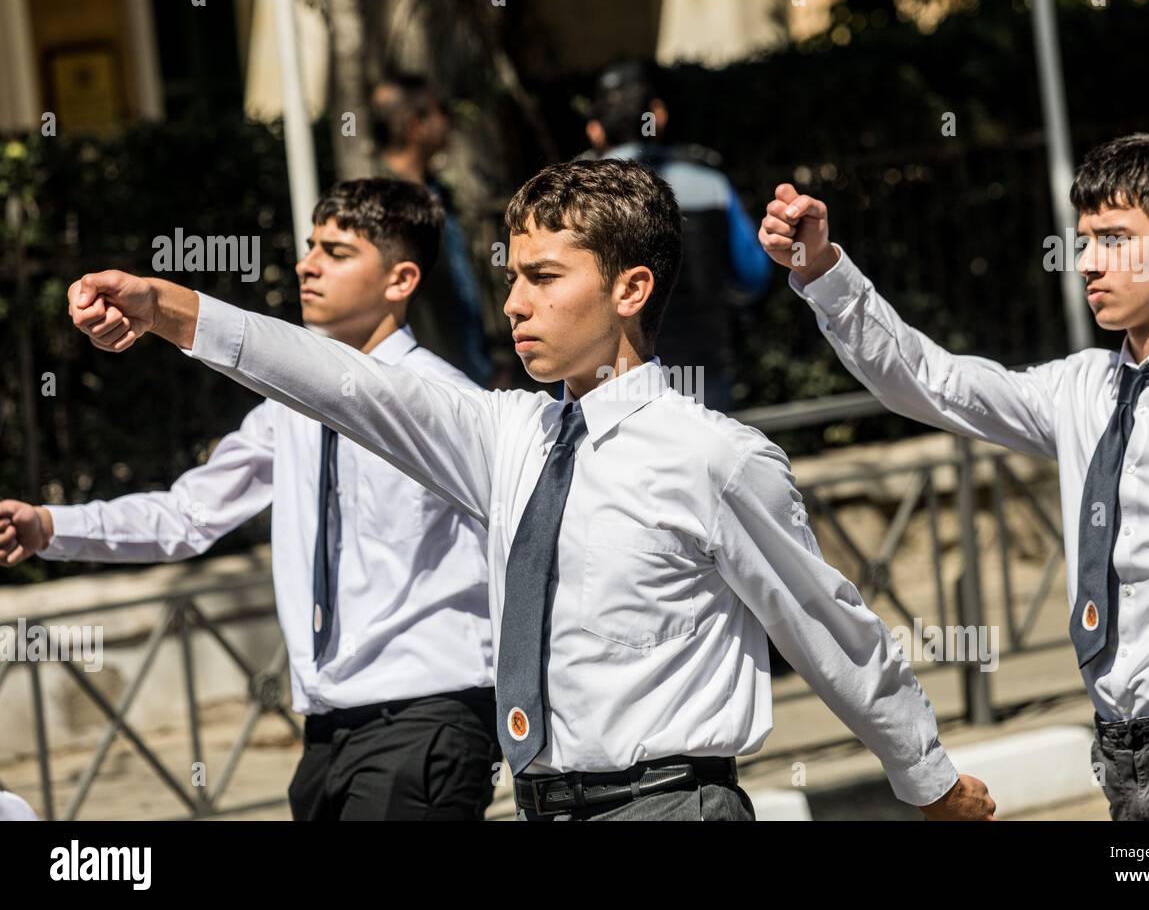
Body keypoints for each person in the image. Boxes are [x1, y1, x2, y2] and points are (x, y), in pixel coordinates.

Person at [61, 158, 994, 822]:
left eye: (545, 278)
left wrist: (929, 779)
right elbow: (340, 382)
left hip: (671, 806)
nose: (514, 304)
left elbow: (828, 628)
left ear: (631, 289)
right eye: (513, 277)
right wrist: (171, 310)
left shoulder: (717, 456)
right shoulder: (506, 434)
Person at [762, 132, 1149, 821]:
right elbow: (931, 381)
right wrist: (823, 269)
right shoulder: (1082, 389)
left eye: (1113, 239)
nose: (1086, 263)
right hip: (1124, 750)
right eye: (1083, 241)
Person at [1, 178, 500, 820]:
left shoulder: (446, 402)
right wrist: (49, 525)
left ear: (400, 280)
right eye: (310, 245)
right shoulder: (288, 411)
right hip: (326, 732)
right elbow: (188, 514)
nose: (307, 264)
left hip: (431, 719)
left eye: (337, 252)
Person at [585, 61, 771, 411]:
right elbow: (752, 276)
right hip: (704, 372)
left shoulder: (577, 198)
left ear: (595, 131)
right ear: (658, 115)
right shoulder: (710, 182)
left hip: (614, 381)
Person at [372, 72, 494, 387]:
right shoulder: (378, 204)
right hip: (425, 381)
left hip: (475, 371)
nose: (449, 122)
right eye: (442, 111)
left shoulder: (443, 192)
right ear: (415, 125)